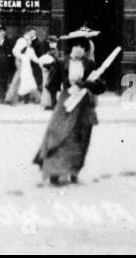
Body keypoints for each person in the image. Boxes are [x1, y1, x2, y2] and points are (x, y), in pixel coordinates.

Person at [33, 36, 107, 186]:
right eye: (77, 47)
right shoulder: (61, 63)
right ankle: (54, 172)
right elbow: (51, 84)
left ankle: (74, 171)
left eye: (83, 48)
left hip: (84, 103)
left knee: (80, 137)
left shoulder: (90, 64)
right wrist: (55, 102)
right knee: (58, 134)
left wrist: (87, 84)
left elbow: (101, 86)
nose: (80, 51)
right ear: (72, 47)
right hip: (66, 101)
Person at [9, 30, 41, 104]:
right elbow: (15, 51)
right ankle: (11, 98)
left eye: (29, 40)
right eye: (28, 39)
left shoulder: (30, 50)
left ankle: (15, 98)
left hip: (26, 66)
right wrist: (20, 57)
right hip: (20, 63)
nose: (29, 41)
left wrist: (42, 61)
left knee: (26, 81)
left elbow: (35, 58)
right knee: (20, 79)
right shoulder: (21, 40)